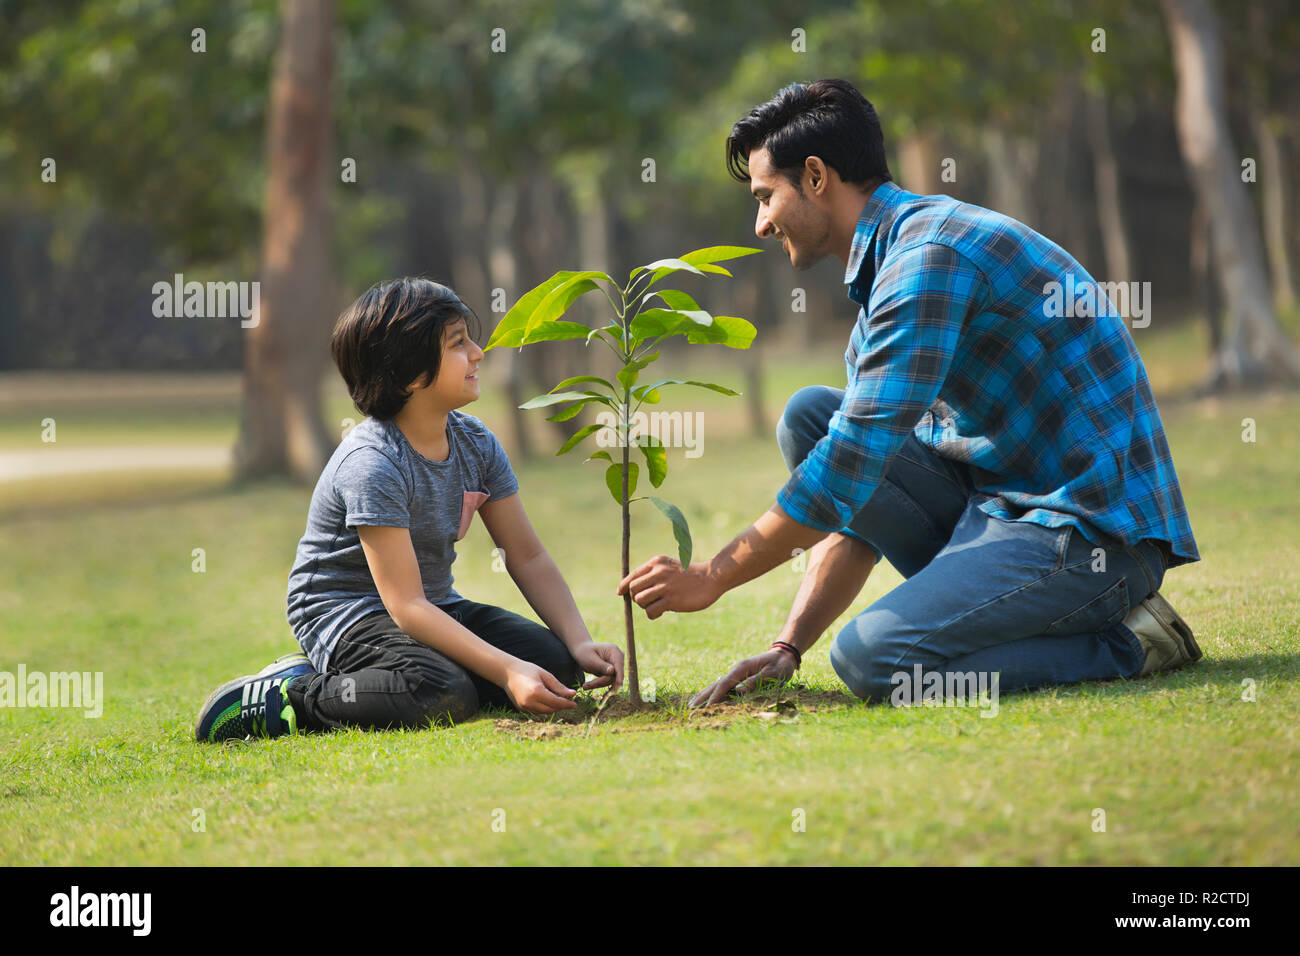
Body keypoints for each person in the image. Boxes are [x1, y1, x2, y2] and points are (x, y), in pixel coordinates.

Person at [618, 78, 1202, 707]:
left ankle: (1131, 643)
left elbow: (849, 464)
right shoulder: (887, 272)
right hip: (1002, 509)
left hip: (1089, 532)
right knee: (811, 417)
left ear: (816, 177)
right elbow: (858, 496)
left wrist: (713, 575)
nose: (760, 223)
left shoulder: (929, 258)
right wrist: (788, 647)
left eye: (765, 197)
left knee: (877, 661)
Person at [196, 278, 623, 742]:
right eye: (459, 343)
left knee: (555, 663)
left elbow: (527, 555)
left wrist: (579, 641)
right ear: (409, 372)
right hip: (346, 613)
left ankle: (393, 677)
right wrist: (504, 671)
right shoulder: (373, 463)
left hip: (432, 605)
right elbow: (406, 606)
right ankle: (293, 693)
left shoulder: (476, 443)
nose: (478, 353)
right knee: (440, 691)